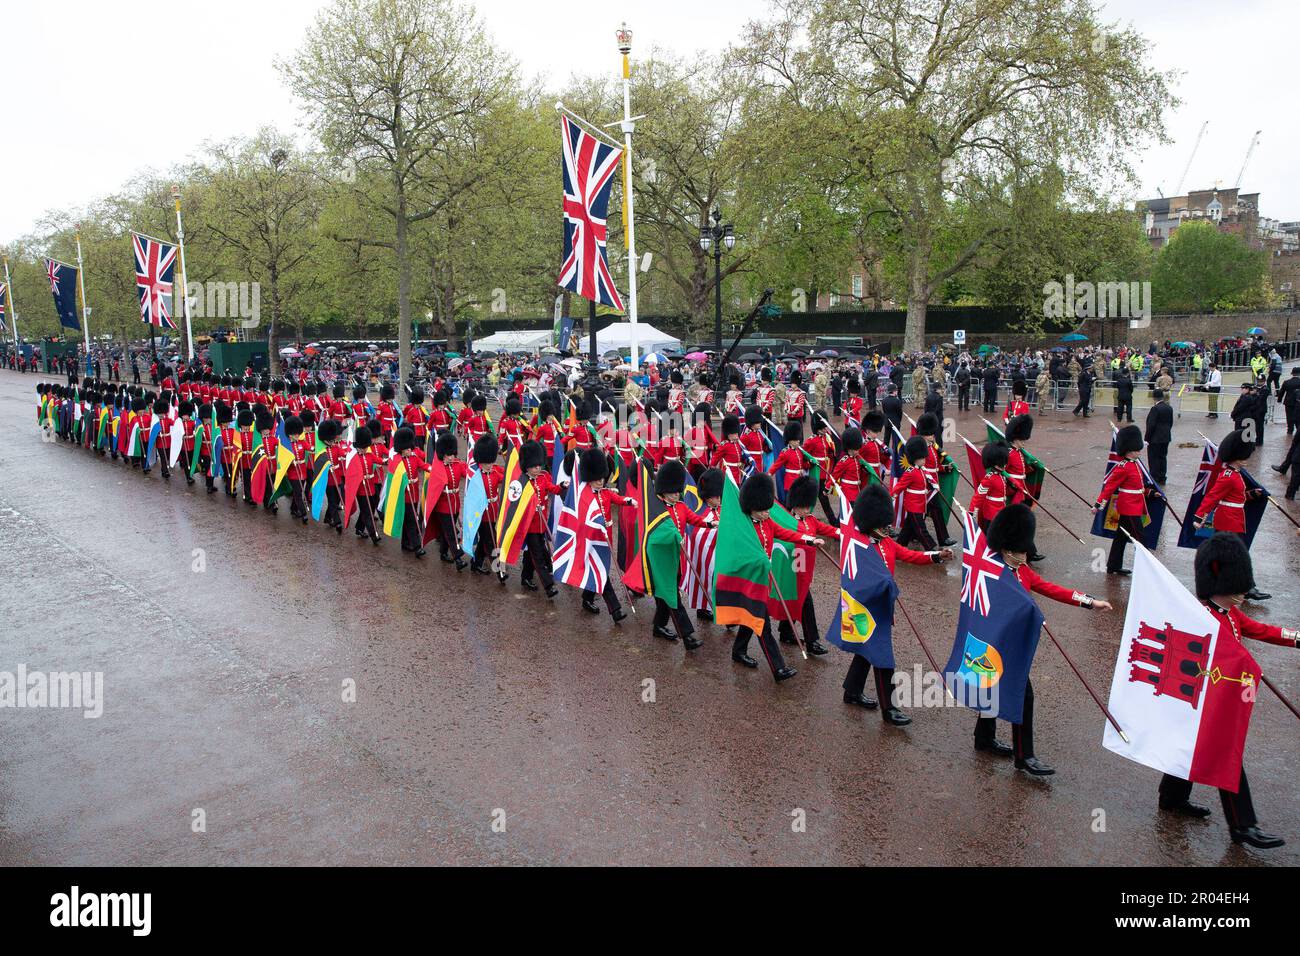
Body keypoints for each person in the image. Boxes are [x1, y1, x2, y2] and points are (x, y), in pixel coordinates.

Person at [1156, 533, 1298, 849]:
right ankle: (1243, 826)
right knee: (1226, 757)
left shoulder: (1231, 612)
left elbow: (1263, 630)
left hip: (1218, 695)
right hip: (1205, 697)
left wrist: (1297, 637)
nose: (1245, 591)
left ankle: (1171, 798)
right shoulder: (1200, 616)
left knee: (1191, 747)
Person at [972, 505, 1111, 775]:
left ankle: (984, 738)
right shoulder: (991, 570)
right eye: (1021, 550)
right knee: (1021, 695)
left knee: (993, 686)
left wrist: (1089, 602)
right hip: (995, 642)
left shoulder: (1021, 570)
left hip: (1013, 645)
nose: (1026, 555)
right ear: (1007, 548)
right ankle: (1024, 756)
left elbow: (1051, 589)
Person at [841, 483, 952, 725]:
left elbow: (909, 555)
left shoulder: (887, 543)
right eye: (882, 524)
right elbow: (856, 579)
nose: (887, 528)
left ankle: (851, 690)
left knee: (866, 650)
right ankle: (889, 709)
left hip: (882, 607)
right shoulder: (859, 545)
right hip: (866, 608)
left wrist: (935, 555)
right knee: (883, 656)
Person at [731, 473, 819, 682]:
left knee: (752, 618)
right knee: (762, 624)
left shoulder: (767, 522)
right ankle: (778, 668)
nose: (766, 513)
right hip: (751, 581)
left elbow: (785, 533)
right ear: (751, 507)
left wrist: (807, 539)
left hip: (764, 580)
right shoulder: (745, 526)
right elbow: (739, 554)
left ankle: (738, 650)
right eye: (762, 510)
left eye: (767, 508)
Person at [1193, 430, 1270, 602]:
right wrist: (1199, 516)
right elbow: (1212, 496)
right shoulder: (1229, 475)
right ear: (1236, 456)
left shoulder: (1234, 474)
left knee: (1228, 555)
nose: (1246, 458)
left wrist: (1252, 495)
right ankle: (1247, 587)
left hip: (1233, 518)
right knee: (1239, 555)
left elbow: (1235, 497)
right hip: (1228, 520)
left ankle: (1225, 584)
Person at [775, 476, 834, 655]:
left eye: (809, 505)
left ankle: (786, 631)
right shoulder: (786, 520)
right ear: (794, 504)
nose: (807, 509)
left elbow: (830, 530)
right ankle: (812, 641)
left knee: (794, 599)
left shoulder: (811, 520)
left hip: (805, 568)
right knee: (805, 602)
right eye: (803, 506)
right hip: (791, 568)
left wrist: (847, 533)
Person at [1093, 424, 1152, 575]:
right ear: (1129, 451)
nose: (1139, 451)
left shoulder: (1133, 464)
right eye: (1136, 449)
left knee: (1121, 537)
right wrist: (1098, 504)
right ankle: (1146, 569)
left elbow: (1137, 486)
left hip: (1135, 505)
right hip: (1129, 507)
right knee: (1140, 538)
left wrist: (1150, 493)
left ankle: (1113, 565)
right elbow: (1109, 487)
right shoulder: (1123, 466)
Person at [518, 440, 561, 599]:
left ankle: (526, 577)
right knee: (537, 554)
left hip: (541, 523)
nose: (538, 468)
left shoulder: (543, 477)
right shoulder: (522, 481)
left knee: (532, 553)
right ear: (527, 466)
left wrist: (562, 486)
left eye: (539, 465)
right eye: (535, 466)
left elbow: (552, 488)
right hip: (529, 525)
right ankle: (548, 585)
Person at [1144, 388, 1173, 484]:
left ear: (1154, 398)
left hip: (1155, 438)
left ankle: (1154, 477)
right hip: (1166, 436)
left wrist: (1147, 438)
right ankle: (1162, 476)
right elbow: (1170, 423)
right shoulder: (1169, 407)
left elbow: (1151, 425)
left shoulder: (1155, 409)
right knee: (1163, 457)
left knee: (1153, 458)